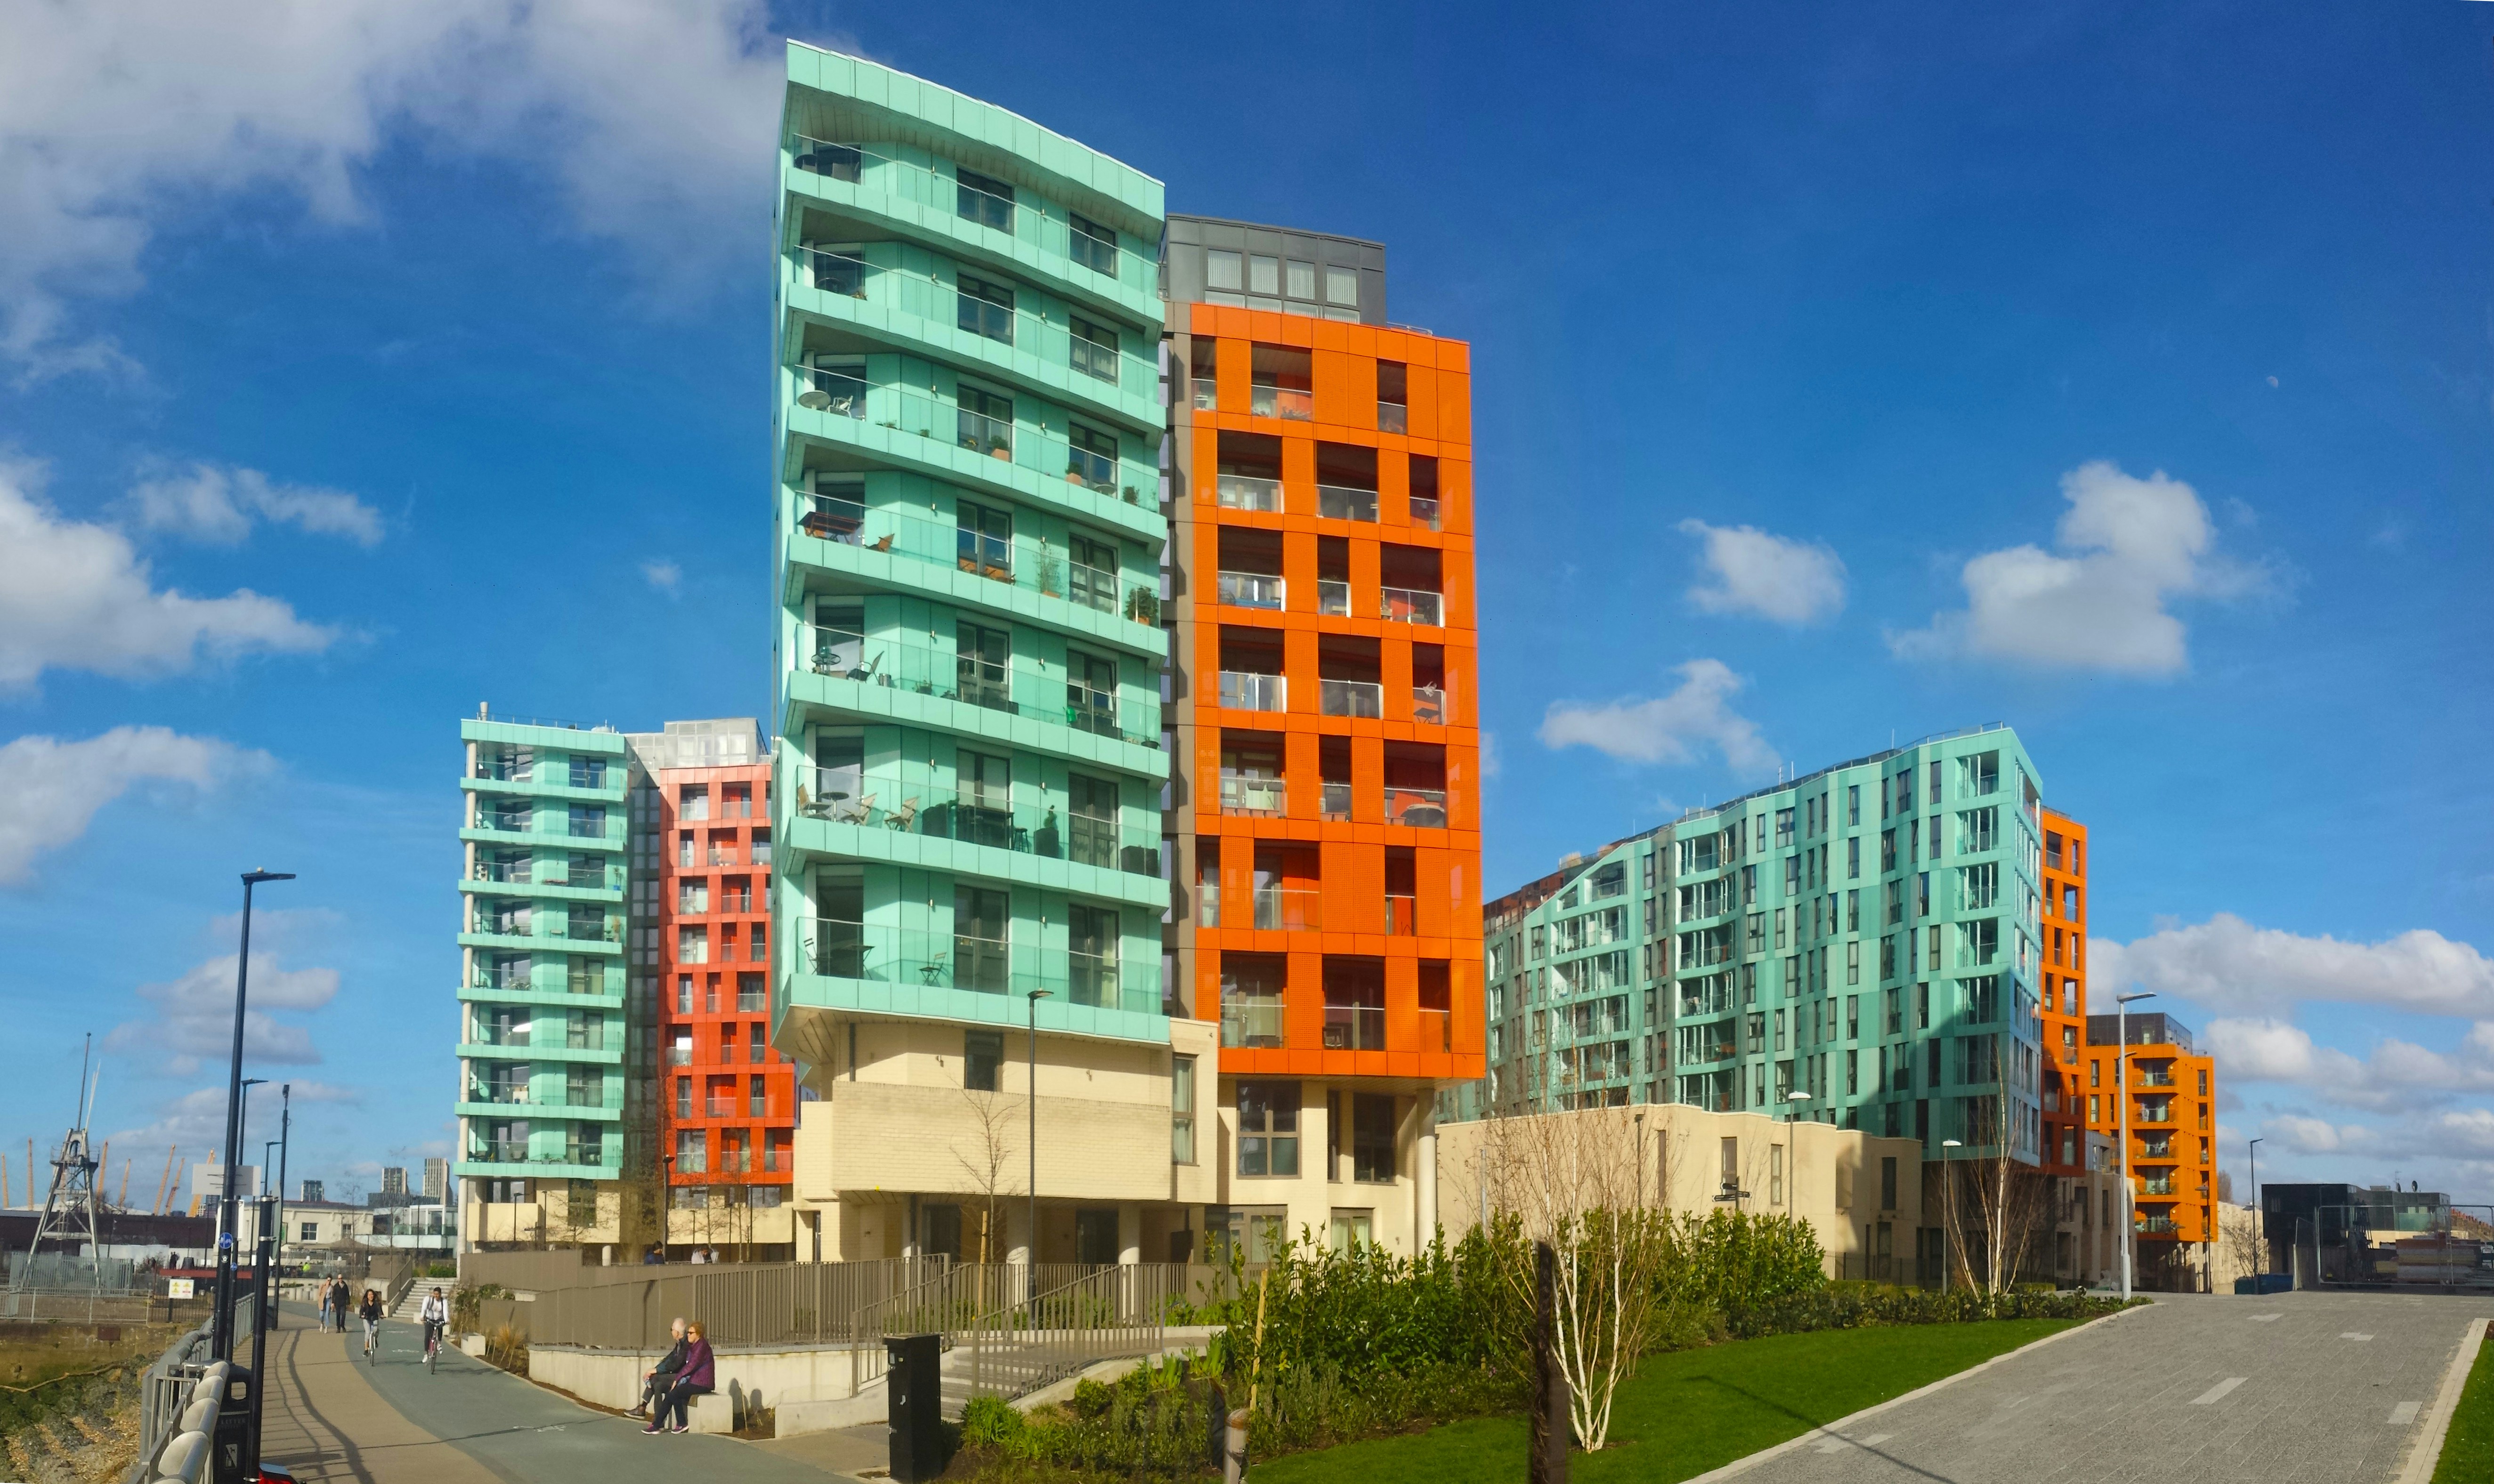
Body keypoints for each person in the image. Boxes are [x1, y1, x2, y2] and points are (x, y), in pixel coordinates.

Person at [646, 1321, 713, 1435]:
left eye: (691, 1333)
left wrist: (677, 1379)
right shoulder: (693, 1347)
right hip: (693, 1381)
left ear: (699, 1334)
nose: (688, 1335)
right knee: (672, 1393)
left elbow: (691, 1366)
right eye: (688, 1332)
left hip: (702, 1384)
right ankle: (658, 1425)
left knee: (674, 1393)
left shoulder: (702, 1347)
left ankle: (679, 1424)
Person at [628, 1318, 688, 1419]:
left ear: (677, 1332)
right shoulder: (680, 1344)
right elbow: (669, 1359)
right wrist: (655, 1370)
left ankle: (643, 1408)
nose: (671, 1332)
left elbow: (676, 1364)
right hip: (676, 1375)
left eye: (672, 1329)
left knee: (654, 1378)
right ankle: (658, 1419)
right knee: (658, 1385)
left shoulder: (686, 1345)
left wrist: (655, 1371)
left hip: (682, 1377)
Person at [418, 1287, 449, 1363]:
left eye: (437, 1294)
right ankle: (426, 1354)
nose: (436, 1296)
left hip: (439, 1319)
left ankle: (439, 1344)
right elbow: (424, 1308)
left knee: (440, 1326)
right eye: (435, 1294)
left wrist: (446, 1320)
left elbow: (445, 1311)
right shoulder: (428, 1299)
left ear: (440, 1294)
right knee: (427, 1336)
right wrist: (422, 1317)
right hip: (430, 1319)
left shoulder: (444, 1301)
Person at [357, 1288, 383, 1356]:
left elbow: (380, 1310)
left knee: (376, 1331)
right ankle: (366, 1350)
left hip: (375, 1318)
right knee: (368, 1333)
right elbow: (361, 1311)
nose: (371, 1296)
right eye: (369, 1295)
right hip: (367, 1319)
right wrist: (361, 1315)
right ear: (367, 1296)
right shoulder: (365, 1303)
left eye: (372, 1295)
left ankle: (375, 1340)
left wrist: (381, 1315)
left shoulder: (376, 1302)